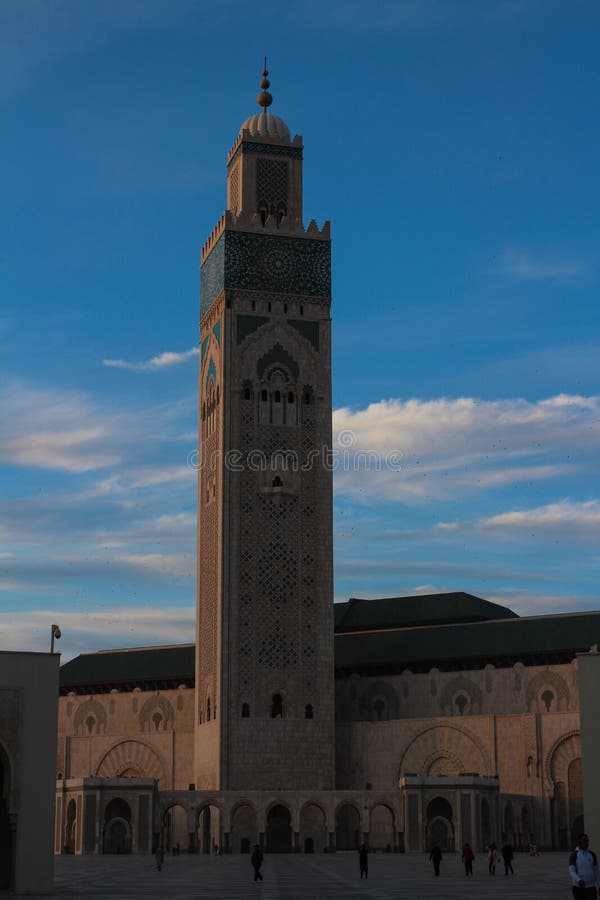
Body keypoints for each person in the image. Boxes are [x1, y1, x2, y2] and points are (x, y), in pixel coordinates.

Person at [569, 833, 600, 899]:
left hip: (591, 887)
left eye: (587, 841)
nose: (587, 843)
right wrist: (579, 880)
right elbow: (572, 871)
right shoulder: (574, 855)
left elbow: (596, 871)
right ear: (579, 842)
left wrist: (599, 885)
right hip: (579, 888)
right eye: (585, 841)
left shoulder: (592, 854)